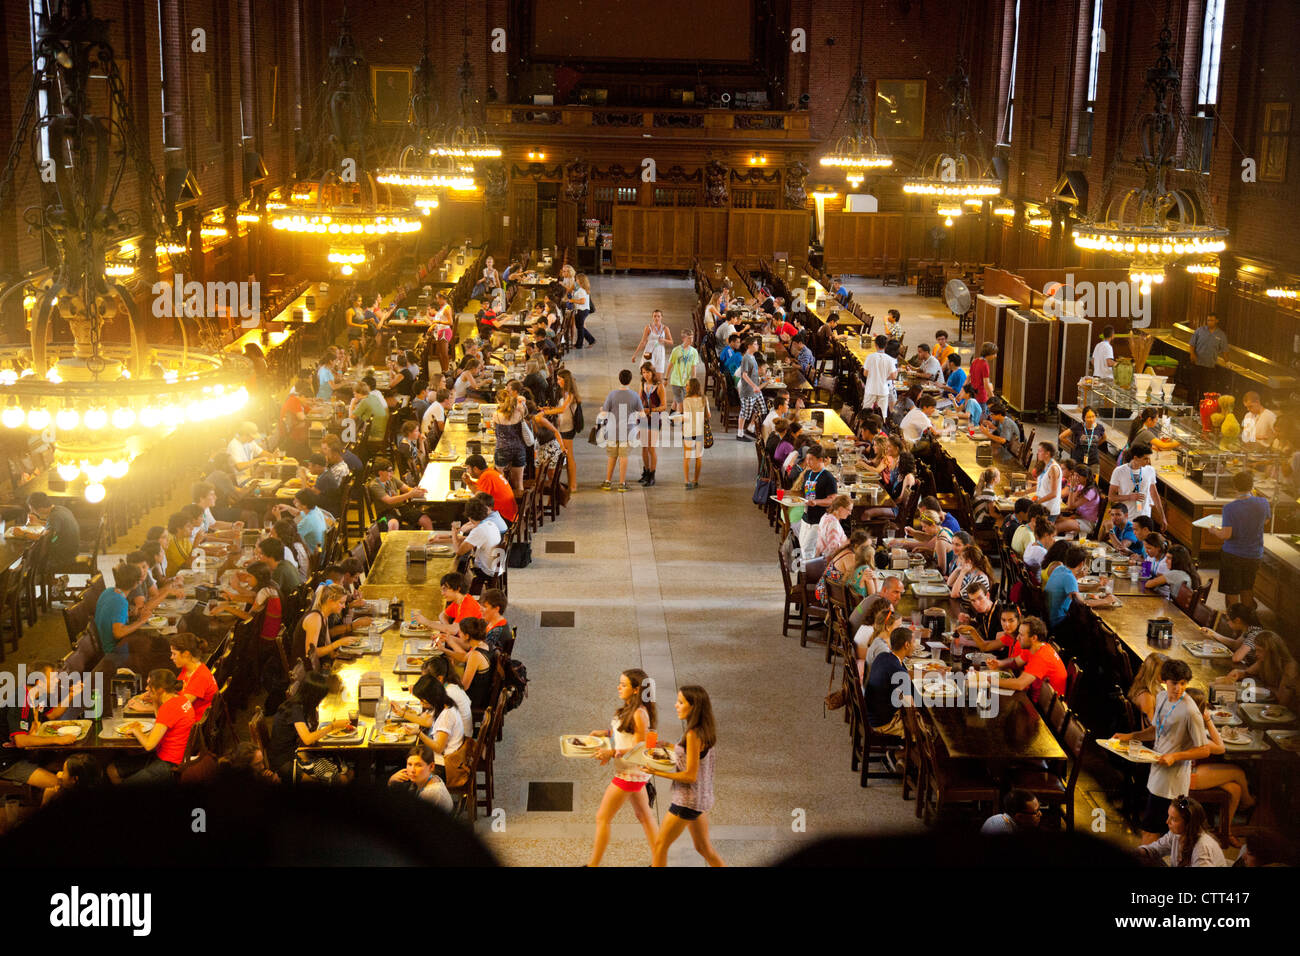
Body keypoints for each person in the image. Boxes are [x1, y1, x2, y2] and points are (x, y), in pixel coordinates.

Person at [1111, 658, 1212, 843]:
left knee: (1152, 831)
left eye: (1183, 684)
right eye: (1174, 683)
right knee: (1161, 834)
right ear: (1164, 681)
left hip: (1173, 783)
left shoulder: (1190, 711)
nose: (1178, 688)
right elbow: (1156, 730)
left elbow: (1205, 750)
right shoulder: (1162, 697)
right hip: (1157, 774)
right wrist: (1130, 736)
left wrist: (1175, 756)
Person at [645, 685, 726, 867]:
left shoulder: (692, 734)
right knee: (704, 849)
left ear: (694, 707)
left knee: (660, 845)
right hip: (700, 799)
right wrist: (671, 746)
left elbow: (690, 775)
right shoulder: (704, 730)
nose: (676, 705)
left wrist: (655, 772)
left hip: (687, 801)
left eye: (681, 702)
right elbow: (694, 756)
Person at [586, 669, 659, 867]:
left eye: (624, 685)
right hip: (632, 773)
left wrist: (611, 753)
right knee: (644, 817)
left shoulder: (639, 714)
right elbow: (624, 733)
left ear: (636, 690)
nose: (619, 687)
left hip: (629, 774)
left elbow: (639, 748)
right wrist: (605, 733)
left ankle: (593, 865)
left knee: (602, 817)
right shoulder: (629, 709)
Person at [1185, 687, 1255, 846]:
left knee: (1235, 789)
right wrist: (1208, 720)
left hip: (1189, 770)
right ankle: (1248, 802)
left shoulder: (1186, 720)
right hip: (1188, 776)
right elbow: (1220, 748)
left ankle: (1226, 832)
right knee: (1237, 772)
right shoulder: (1193, 727)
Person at [113, 669, 196, 785]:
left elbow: (149, 745)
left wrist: (135, 730)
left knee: (116, 775)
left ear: (161, 689)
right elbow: (160, 718)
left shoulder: (169, 708)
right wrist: (155, 699)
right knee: (113, 770)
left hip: (169, 764)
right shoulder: (180, 699)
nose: (147, 689)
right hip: (175, 756)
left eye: (149, 685)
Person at [267, 671, 352, 783]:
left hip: (299, 751)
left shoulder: (300, 705)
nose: (321, 700)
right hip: (286, 762)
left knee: (347, 769)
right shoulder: (295, 710)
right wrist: (333, 726)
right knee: (343, 779)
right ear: (312, 696)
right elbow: (307, 739)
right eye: (320, 697)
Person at [96, 564, 180, 667]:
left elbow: (112, 615)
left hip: (103, 644)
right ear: (136, 584)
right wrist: (141, 621)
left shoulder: (108, 592)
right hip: (115, 652)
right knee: (160, 647)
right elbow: (118, 633)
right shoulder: (121, 602)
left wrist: (130, 613)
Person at [1209, 470, 1271, 610]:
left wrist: (1213, 530)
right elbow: (1266, 521)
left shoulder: (1230, 508)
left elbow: (1226, 534)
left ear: (1235, 487)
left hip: (1233, 555)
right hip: (1254, 554)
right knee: (1247, 588)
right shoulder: (1263, 503)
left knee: (1231, 590)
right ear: (1252, 485)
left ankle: (1234, 620)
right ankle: (1247, 621)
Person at [988, 615, 1067, 697]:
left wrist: (990, 680)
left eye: (1021, 635)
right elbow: (1016, 662)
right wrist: (1000, 663)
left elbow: (1020, 684)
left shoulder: (1042, 657)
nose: (1017, 638)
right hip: (1036, 697)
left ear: (1033, 638)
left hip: (1041, 706)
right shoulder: (1034, 647)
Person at [1136, 797, 1226, 867]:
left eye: (1174, 819)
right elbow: (1155, 849)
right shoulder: (1176, 834)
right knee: (1143, 858)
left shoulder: (1202, 847)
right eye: (1168, 816)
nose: (1167, 822)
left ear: (1189, 823)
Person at [1224, 631, 1300, 709]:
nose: (1256, 654)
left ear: (1271, 651)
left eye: (1259, 650)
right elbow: (1247, 672)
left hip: (1285, 711)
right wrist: (1238, 673)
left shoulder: (1290, 667)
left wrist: (1267, 688)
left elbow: (1282, 701)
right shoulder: (1264, 660)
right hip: (1267, 703)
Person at [1044, 545, 1115, 628]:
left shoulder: (1060, 569)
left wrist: (1096, 585)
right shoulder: (1069, 577)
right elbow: (1081, 605)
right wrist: (1106, 601)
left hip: (1047, 618)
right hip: (1058, 623)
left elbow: (1071, 587)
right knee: (1094, 624)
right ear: (1082, 563)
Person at [865, 625, 914, 739]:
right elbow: (910, 708)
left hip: (871, 714)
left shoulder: (882, 657)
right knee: (927, 731)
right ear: (906, 645)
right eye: (914, 643)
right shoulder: (900, 672)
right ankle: (898, 755)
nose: (915, 646)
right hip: (883, 724)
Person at [599, 369, 644, 491]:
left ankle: (608, 481)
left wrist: (602, 410)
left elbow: (604, 413)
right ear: (630, 380)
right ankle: (622, 483)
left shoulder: (612, 394)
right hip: (628, 431)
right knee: (623, 457)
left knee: (612, 456)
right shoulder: (634, 395)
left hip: (612, 431)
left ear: (619, 379)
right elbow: (642, 414)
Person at [794, 445, 838, 557]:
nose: (807, 462)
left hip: (818, 520)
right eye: (807, 459)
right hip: (806, 517)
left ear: (820, 459)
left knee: (807, 549)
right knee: (802, 546)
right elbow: (803, 493)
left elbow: (832, 499)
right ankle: (805, 573)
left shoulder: (828, 477)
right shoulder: (809, 473)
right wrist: (787, 494)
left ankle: (808, 573)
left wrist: (816, 502)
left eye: (811, 459)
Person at [542, 369, 580, 494]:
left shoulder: (571, 394)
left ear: (565, 380)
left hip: (568, 428)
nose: (557, 381)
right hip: (563, 426)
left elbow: (563, 409)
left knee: (569, 457)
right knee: (567, 455)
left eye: (559, 379)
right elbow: (559, 408)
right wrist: (548, 408)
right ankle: (571, 484)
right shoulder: (564, 393)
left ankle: (573, 485)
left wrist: (545, 412)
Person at [366, 459, 431, 531]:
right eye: (389, 471)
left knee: (425, 520)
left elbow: (406, 488)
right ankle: (393, 542)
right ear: (381, 472)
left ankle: (431, 540)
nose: (392, 472)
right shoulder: (375, 485)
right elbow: (389, 500)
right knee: (393, 524)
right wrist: (410, 494)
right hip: (385, 512)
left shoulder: (391, 479)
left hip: (400, 508)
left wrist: (417, 491)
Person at [451, 499, 503, 589]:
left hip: (486, 570)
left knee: (461, 564)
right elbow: (480, 540)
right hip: (497, 567)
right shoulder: (490, 523)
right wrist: (464, 539)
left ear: (469, 516)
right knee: (466, 560)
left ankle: (465, 594)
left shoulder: (478, 530)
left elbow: (459, 551)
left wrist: (453, 534)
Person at [1109, 443, 1165, 525]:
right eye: (1145, 459)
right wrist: (1129, 497)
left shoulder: (1150, 470)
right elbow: (1111, 497)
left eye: (1149, 458)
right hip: (1127, 519)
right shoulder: (1119, 471)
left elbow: (1154, 494)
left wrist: (1162, 517)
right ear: (1135, 458)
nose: (1148, 462)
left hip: (1144, 517)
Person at [388, 744, 454, 812]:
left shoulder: (430, 793)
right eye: (409, 764)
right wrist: (392, 781)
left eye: (418, 765)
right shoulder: (433, 777)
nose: (412, 770)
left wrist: (390, 783)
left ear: (431, 767)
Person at [24, 492, 81, 570]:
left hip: (64, 555)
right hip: (72, 550)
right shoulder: (61, 509)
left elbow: (43, 538)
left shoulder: (54, 516)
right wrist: (37, 521)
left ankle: (31, 577)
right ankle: (52, 580)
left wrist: (23, 533)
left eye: (32, 510)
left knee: (31, 554)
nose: (32, 512)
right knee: (35, 551)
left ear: (40, 508)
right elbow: (53, 527)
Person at [169, 633, 217, 721]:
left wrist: (149, 707)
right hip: (188, 715)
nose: (171, 657)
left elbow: (181, 705)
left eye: (174, 654)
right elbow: (177, 690)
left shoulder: (200, 677)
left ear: (186, 654)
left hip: (193, 722)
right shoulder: (188, 669)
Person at [636, 362, 667, 487]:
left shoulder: (659, 386)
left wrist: (651, 410)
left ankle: (652, 475)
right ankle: (646, 472)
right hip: (643, 418)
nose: (646, 375)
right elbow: (639, 400)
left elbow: (664, 406)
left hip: (654, 419)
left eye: (647, 372)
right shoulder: (642, 384)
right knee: (644, 447)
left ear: (652, 372)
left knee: (651, 448)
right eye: (643, 373)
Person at [1189, 313, 1228, 400]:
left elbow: (1225, 350)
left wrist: (1227, 362)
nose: (1209, 322)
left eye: (1212, 320)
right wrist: (1192, 354)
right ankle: (1190, 404)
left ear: (1217, 321)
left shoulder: (1221, 335)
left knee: (1205, 388)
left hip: (1209, 365)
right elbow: (1192, 344)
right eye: (1208, 320)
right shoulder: (1200, 331)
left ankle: (1201, 406)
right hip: (1197, 363)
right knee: (1193, 385)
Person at [1055, 464, 1101, 537]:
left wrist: (1072, 487)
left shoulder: (1091, 491)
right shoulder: (1080, 486)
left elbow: (1070, 506)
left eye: (1078, 476)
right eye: (1075, 475)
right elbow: (1069, 503)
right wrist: (1074, 487)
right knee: (1054, 521)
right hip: (1078, 517)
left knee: (1056, 527)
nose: (1075, 478)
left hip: (1088, 522)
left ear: (1085, 478)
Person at [1060, 405, 1105, 472]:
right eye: (1089, 417)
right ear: (1084, 418)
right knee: (1078, 480)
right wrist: (1073, 446)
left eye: (1093, 416)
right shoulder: (1078, 427)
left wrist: (1095, 444)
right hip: (1079, 459)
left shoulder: (1099, 427)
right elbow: (1062, 437)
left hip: (1094, 460)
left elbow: (1104, 438)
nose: (1091, 419)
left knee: (1093, 481)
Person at [681, 378, 708, 490]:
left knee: (687, 457)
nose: (686, 387)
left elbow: (686, 417)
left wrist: (678, 419)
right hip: (700, 432)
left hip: (688, 431)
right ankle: (696, 480)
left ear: (692, 387)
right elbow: (709, 415)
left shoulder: (686, 400)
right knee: (698, 457)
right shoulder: (704, 399)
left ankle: (687, 481)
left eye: (687, 385)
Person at [861, 334, 896, 415]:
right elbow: (894, 376)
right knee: (882, 414)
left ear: (875, 345)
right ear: (886, 345)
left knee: (865, 413)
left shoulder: (870, 357)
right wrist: (884, 377)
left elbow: (865, 373)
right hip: (883, 390)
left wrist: (874, 374)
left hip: (871, 389)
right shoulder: (889, 359)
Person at [664, 329, 699, 412]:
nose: (691, 340)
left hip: (686, 382)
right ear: (683, 339)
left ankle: (672, 417)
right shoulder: (676, 350)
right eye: (689, 338)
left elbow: (694, 368)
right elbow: (670, 365)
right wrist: (665, 378)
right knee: (681, 402)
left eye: (692, 338)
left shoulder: (694, 352)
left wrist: (693, 382)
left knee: (676, 400)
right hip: (676, 380)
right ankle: (680, 422)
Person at [632, 309, 673, 376]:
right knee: (646, 375)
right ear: (652, 317)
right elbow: (643, 342)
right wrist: (635, 354)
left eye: (658, 316)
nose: (656, 318)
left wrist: (664, 340)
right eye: (655, 316)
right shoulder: (648, 327)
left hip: (660, 353)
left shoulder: (665, 328)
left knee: (659, 376)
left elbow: (671, 342)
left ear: (661, 317)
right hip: (649, 353)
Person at [813, 495, 852, 560]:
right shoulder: (833, 524)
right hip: (828, 563)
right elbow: (833, 550)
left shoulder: (825, 516)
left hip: (821, 558)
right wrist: (848, 543)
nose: (850, 513)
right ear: (840, 509)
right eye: (849, 510)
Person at [1030, 442, 1063, 517]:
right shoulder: (1045, 465)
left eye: (1040, 451)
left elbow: (1053, 494)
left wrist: (1037, 502)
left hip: (1049, 510)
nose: (1038, 453)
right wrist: (1024, 492)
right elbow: (1042, 485)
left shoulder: (1053, 469)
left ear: (1047, 453)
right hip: (1042, 506)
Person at [569, 273, 596, 349]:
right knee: (579, 327)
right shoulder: (581, 288)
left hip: (582, 310)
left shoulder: (581, 290)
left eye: (576, 279)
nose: (575, 280)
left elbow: (582, 301)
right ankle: (591, 340)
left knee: (580, 328)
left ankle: (579, 345)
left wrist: (572, 300)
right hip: (582, 310)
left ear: (580, 280)